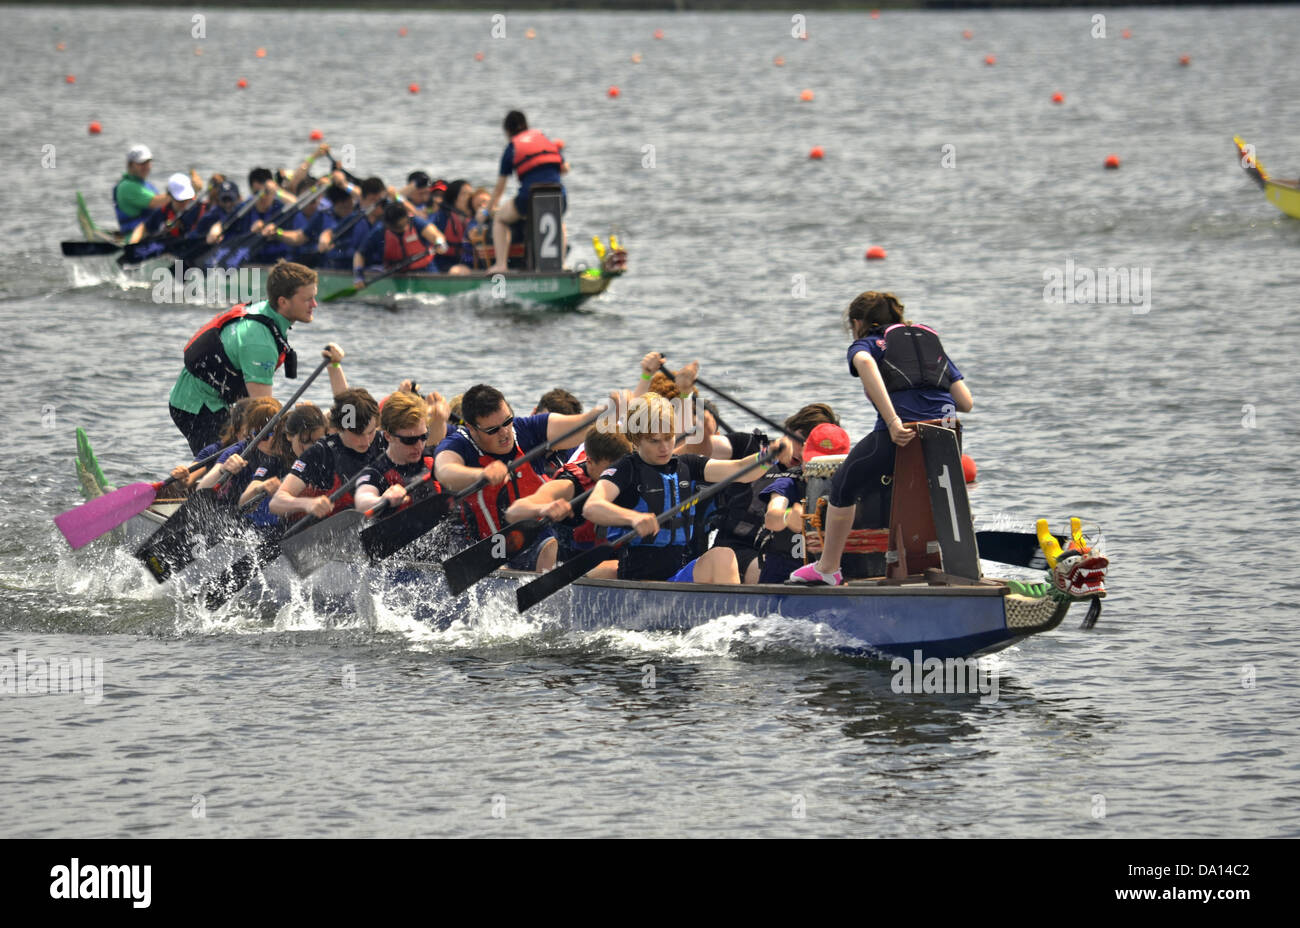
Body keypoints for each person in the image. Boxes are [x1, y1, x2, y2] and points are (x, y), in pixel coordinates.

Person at [789, 291, 973, 585]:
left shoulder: (867, 344)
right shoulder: (928, 343)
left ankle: (828, 568)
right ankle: (956, 564)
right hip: (945, 440)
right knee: (927, 495)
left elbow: (864, 362)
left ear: (858, 322)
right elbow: (965, 402)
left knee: (842, 486)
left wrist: (892, 420)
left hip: (898, 438)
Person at [583, 394, 791, 584]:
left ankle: (732, 623)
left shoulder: (688, 465)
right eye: (655, 441)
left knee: (723, 555)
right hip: (640, 580)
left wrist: (767, 456)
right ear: (636, 440)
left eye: (669, 437)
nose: (664, 447)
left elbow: (740, 470)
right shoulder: (624, 469)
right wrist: (632, 518)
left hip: (677, 575)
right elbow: (592, 507)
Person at [168, 260, 332, 455]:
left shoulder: (268, 312)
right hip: (195, 404)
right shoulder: (259, 342)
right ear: (283, 301)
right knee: (235, 462)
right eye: (308, 299)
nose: (314, 304)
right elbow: (263, 413)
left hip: (209, 398)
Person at [433, 383, 591, 569]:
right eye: (493, 430)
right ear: (472, 428)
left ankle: (539, 591)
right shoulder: (458, 444)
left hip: (526, 536)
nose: (505, 433)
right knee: (501, 566)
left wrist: (604, 413)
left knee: (549, 544)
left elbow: (584, 426)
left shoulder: (527, 428)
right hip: (477, 543)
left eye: (507, 421)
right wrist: (481, 474)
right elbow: (444, 471)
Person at [709, 403, 839, 583]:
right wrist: (768, 454)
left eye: (812, 447)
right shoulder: (751, 447)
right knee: (761, 569)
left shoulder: (826, 475)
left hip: (789, 555)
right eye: (800, 441)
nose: (802, 453)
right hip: (737, 550)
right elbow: (700, 447)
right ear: (788, 430)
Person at [504, 425, 634, 572]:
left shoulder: (633, 470)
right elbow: (513, 512)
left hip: (612, 557)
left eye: (621, 470)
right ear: (589, 462)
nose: (617, 478)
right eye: (609, 471)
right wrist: (543, 508)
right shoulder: (568, 486)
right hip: (568, 567)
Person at [271, 389, 384, 520]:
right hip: (317, 528)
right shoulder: (320, 453)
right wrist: (307, 504)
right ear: (341, 428)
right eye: (358, 434)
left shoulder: (383, 442)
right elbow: (276, 502)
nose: (366, 442)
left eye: (370, 432)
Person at [486, 110, 568, 274]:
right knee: (558, 221)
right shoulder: (545, 140)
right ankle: (561, 265)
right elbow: (565, 169)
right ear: (527, 125)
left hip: (528, 198)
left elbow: (500, 188)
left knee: (500, 219)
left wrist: (488, 210)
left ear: (508, 131)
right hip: (560, 196)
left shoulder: (511, 148)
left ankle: (501, 265)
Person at [353, 391, 441, 513]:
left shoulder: (434, 456)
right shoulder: (376, 472)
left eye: (424, 436)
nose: (419, 446)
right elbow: (362, 499)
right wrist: (381, 500)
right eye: (410, 440)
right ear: (388, 436)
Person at [113, 144, 201, 242]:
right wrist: (190, 188)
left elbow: (169, 204)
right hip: (134, 235)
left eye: (148, 162)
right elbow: (156, 203)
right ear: (130, 165)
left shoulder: (144, 184)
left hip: (153, 229)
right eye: (141, 163)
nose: (146, 166)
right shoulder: (127, 186)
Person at [353, 202, 447, 286]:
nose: (402, 229)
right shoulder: (379, 231)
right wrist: (359, 276)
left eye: (403, 225)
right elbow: (359, 254)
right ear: (388, 225)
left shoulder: (417, 223)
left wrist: (440, 244)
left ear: (406, 217)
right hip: (395, 275)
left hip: (425, 271)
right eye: (397, 227)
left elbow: (438, 236)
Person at [428, 179, 475, 274]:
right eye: (464, 194)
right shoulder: (442, 217)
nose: (469, 197)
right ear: (454, 198)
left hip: (470, 261)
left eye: (471, 194)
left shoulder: (477, 216)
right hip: (443, 262)